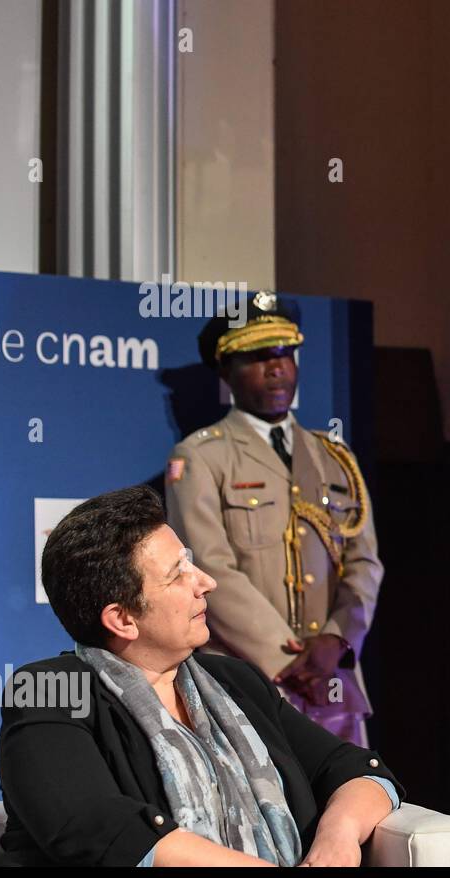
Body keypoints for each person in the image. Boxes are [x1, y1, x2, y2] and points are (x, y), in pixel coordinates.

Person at [0, 486, 401, 867]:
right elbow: (92, 826)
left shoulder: (234, 680)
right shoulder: (49, 689)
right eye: (178, 574)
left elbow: (353, 768)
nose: (206, 582)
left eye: (191, 562)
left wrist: (339, 837)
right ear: (122, 619)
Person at [164, 291, 383, 745]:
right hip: (246, 679)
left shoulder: (334, 457)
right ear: (226, 370)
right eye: (258, 356)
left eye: (284, 353)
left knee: (352, 805)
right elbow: (208, 565)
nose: (276, 367)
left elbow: (364, 563)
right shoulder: (202, 456)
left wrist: (336, 641)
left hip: (332, 681)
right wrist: (285, 659)